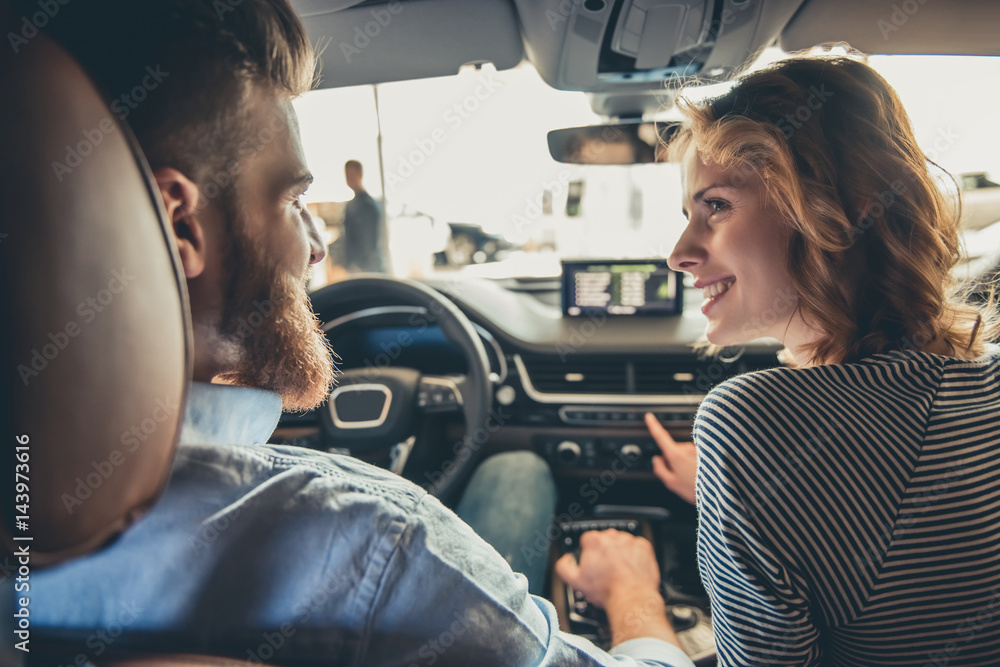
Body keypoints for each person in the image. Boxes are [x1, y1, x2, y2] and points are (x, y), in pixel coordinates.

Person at [25, 2, 694, 665]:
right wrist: (633, 594)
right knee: (518, 470)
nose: (318, 247)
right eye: (293, 201)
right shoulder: (378, 543)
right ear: (180, 226)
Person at [644, 55, 1000, 665]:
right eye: (687, 216)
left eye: (717, 206)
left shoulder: (746, 422)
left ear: (848, 202)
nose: (678, 254)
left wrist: (632, 598)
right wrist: (736, 496)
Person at [341, 159, 388, 273]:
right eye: (347, 175)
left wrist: (359, 266)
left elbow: (369, 241)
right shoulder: (351, 205)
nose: (350, 179)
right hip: (356, 266)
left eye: (352, 175)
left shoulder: (368, 205)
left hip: (366, 268)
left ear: (360, 175)